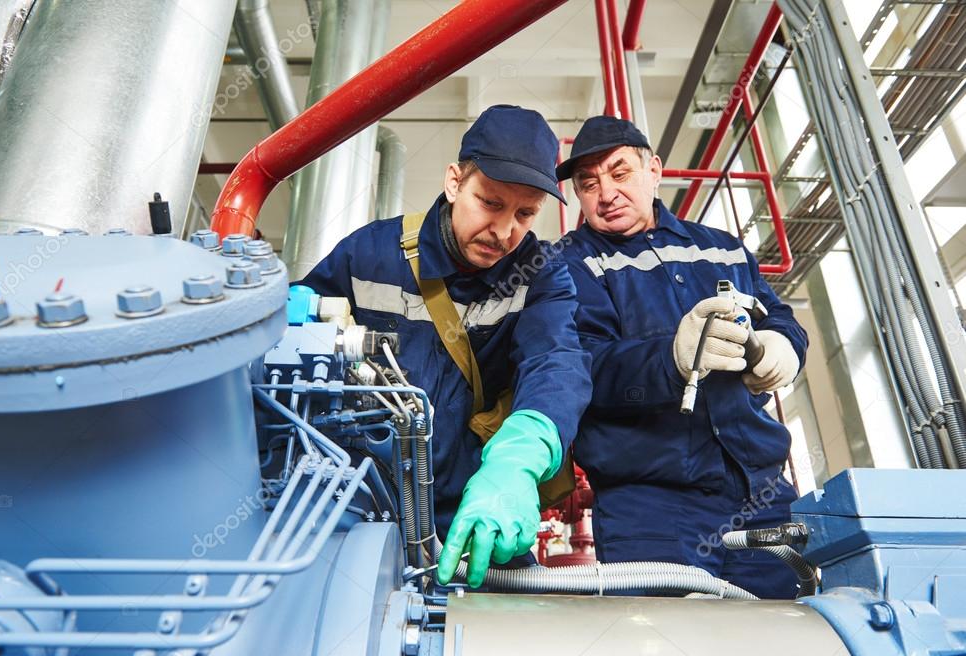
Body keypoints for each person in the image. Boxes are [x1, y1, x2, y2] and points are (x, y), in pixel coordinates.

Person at [298, 105, 592, 587]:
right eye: (491, 203)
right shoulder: (369, 254)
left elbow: (556, 362)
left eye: (525, 214)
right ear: (454, 182)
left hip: (475, 510)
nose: (504, 232)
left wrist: (516, 465)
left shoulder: (539, 272)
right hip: (362, 506)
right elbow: (299, 342)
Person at [556, 116, 808, 598]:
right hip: (649, 506)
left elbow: (776, 314)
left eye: (619, 172)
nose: (605, 193)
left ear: (654, 169)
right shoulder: (568, 266)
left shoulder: (722, 248)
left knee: (788, 639)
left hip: (761, 495)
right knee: (669, 651)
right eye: (588, 184)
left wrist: (784, 345)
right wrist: (669, 359)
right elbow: (579, 367)